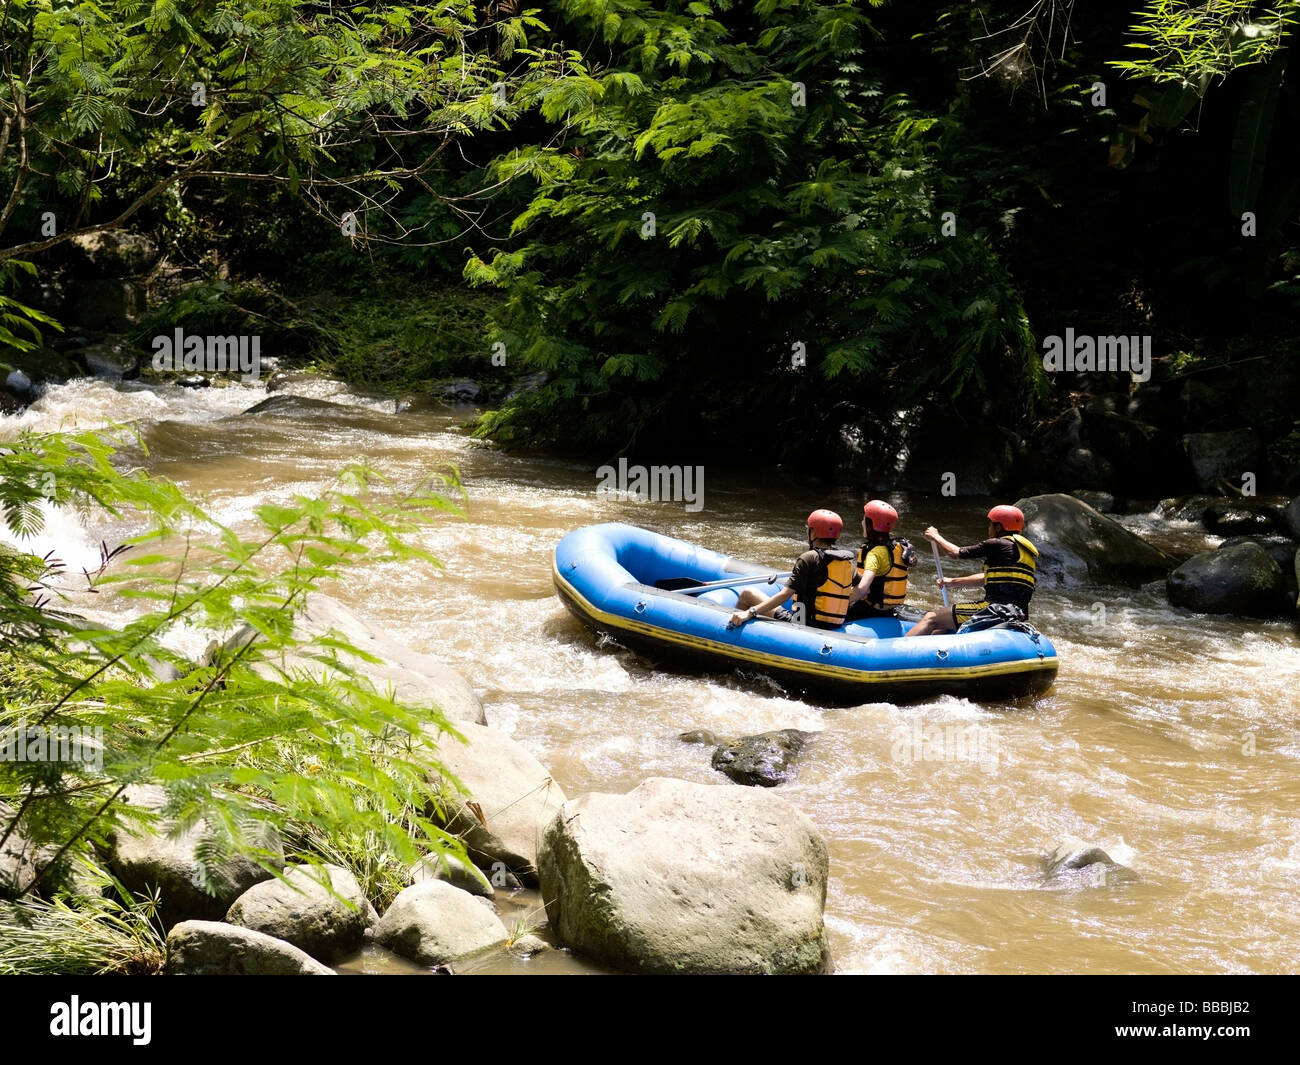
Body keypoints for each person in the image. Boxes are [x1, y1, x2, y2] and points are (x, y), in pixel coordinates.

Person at [904, 504, 1038, 637]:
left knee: (931, 618)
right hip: (1016, 613)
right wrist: (953, 582)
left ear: (998, 527)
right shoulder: (1026, 554)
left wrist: (936, 536)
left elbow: (955, 553)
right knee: (943, 628)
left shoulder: (997, 544)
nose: (989, 528)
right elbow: (989, 577)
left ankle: (900, 652)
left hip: (994, 609)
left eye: (991, 524)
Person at [729, 510, 856, 630]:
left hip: (802, 623)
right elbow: (863, 587)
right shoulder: (847, 562)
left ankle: (732, 628)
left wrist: (750, 612)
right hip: (833, 626)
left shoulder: (809, 558)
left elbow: (785, 595)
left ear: (814, 533)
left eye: (808, 529)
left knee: (747, 593)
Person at [844, 499, 917, 620]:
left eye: (864, 520)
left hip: (873, 609)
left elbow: (863, 589)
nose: (862, 522)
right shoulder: (898, 547)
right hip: (891, 608)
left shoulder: (875, 554)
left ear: (871, 525)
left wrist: (842, 601)